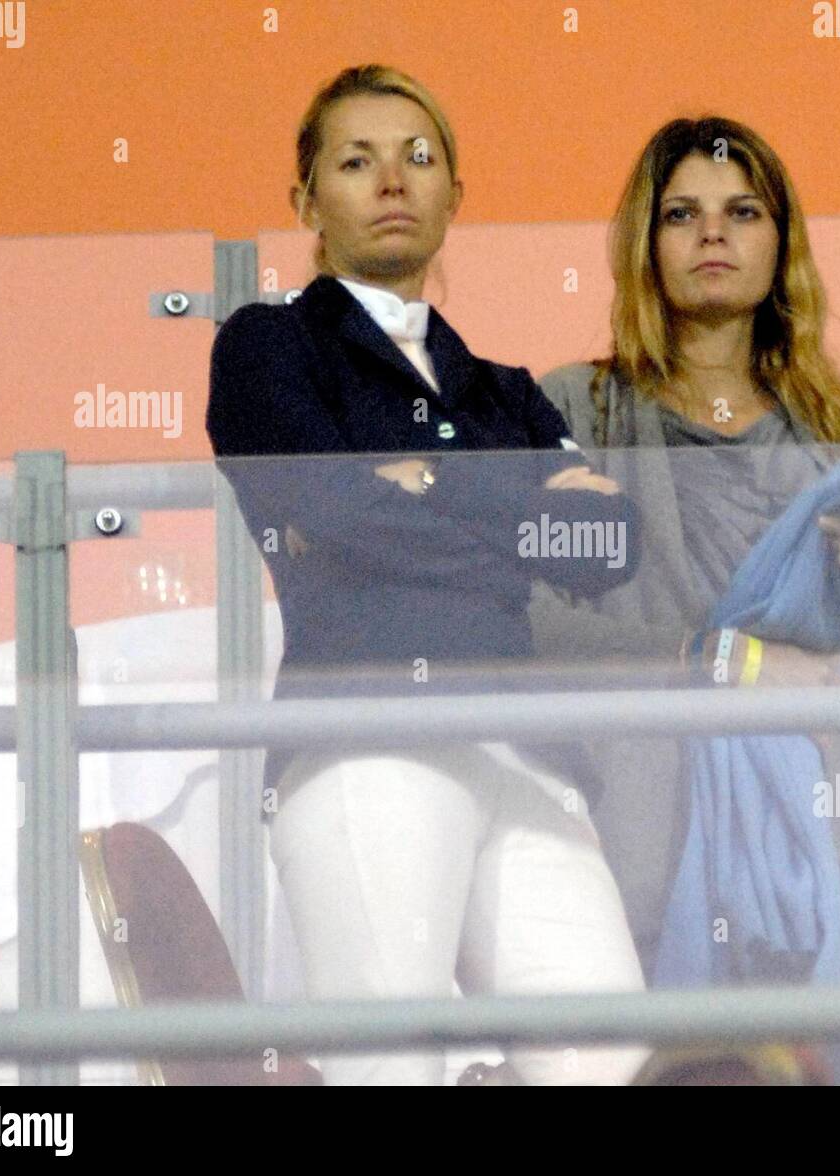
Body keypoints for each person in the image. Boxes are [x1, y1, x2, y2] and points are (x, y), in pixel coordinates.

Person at [206, 65, 648, 1085]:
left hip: (526, 751)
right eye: (355, 161)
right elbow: (331, 513)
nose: (392, 180)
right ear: (306, 202)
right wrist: (514, 506)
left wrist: (426, 482)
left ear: (457, 191)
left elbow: (609, 546)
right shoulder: (266, 345)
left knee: (615, 1062)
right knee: (387, 1070)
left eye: (418, 156)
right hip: (368, 736)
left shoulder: (497, 388)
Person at [530, 116, 840, 1083]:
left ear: (780, 242)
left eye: (740, 211)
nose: (712, 235)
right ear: (647, 244)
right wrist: (710, 664)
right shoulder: (572, 413)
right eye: (683, 214)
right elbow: (530, 624)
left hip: (827, 836)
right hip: (637, 825)